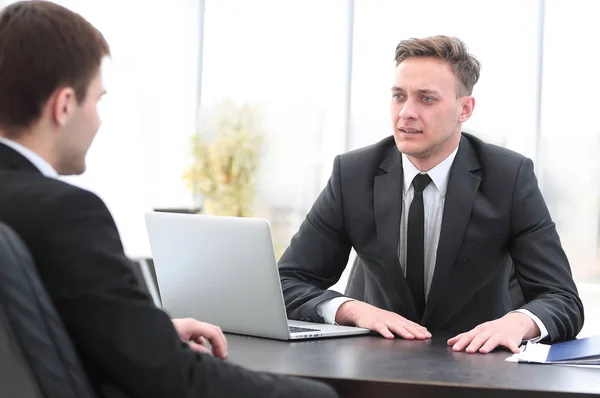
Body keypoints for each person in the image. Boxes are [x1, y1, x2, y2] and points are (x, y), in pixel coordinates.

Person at [0, 1, 337, 397]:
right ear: (64, 105)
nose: (99, 119)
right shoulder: (65, 212)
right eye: (97, 100)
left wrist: (149, 329)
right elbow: (169, 377)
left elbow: (34, 330)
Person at [279, 35, 584, 354]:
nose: (406, 112)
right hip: (375, 366)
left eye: (426, 99)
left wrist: (518, 322)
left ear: (464, 109)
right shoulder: (353, 174)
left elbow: (563, 300)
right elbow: (286, 283)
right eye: (399, 96)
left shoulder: (508, 178)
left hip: (476, 365)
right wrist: (351, 310)